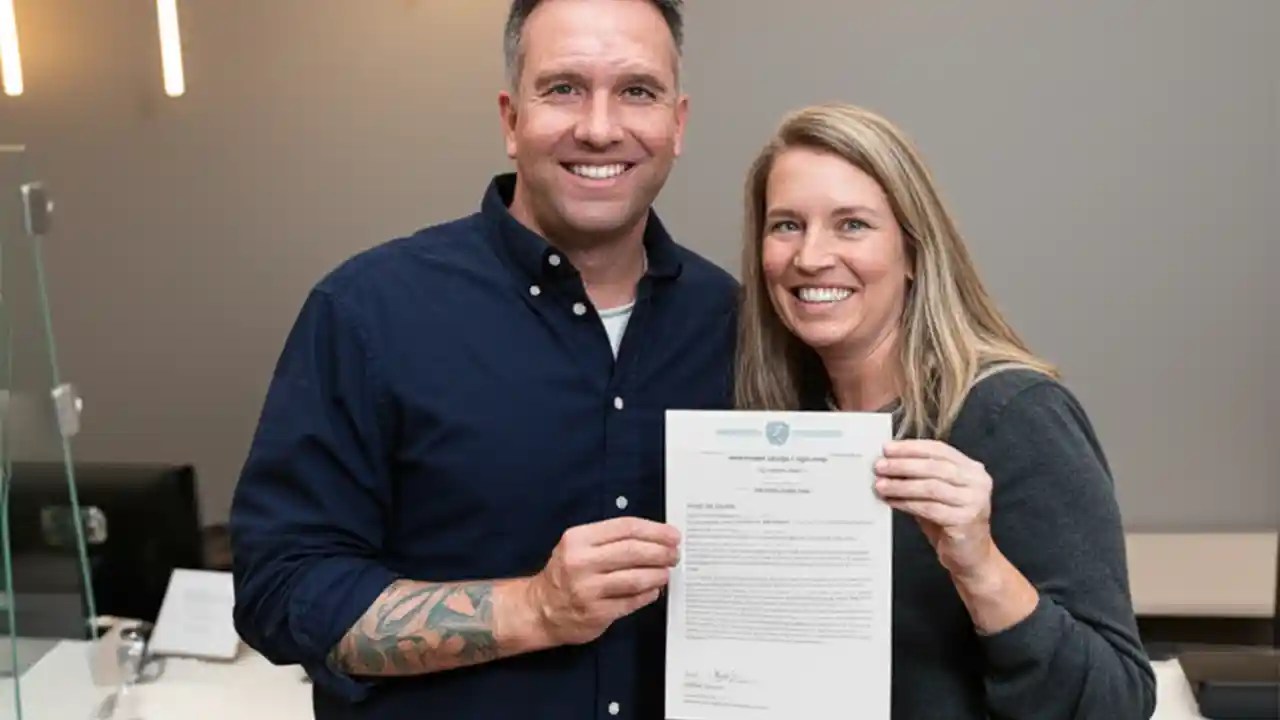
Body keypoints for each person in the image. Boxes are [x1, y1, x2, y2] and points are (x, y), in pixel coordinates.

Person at [229, 1, 736, 718]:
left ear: (677, 123)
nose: (599, 127)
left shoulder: (736, 324)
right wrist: (535, 609)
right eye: (563, 88)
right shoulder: (369, 313)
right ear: (510, 118)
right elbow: (280, 591)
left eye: (637, 91)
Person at [734, 103, 1157, 719]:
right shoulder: (774, 428)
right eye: (786, 225)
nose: (811, 256)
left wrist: (979, 565)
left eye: (851, 225)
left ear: (913, 251)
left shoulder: (1015, 415)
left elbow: (1116, 703)